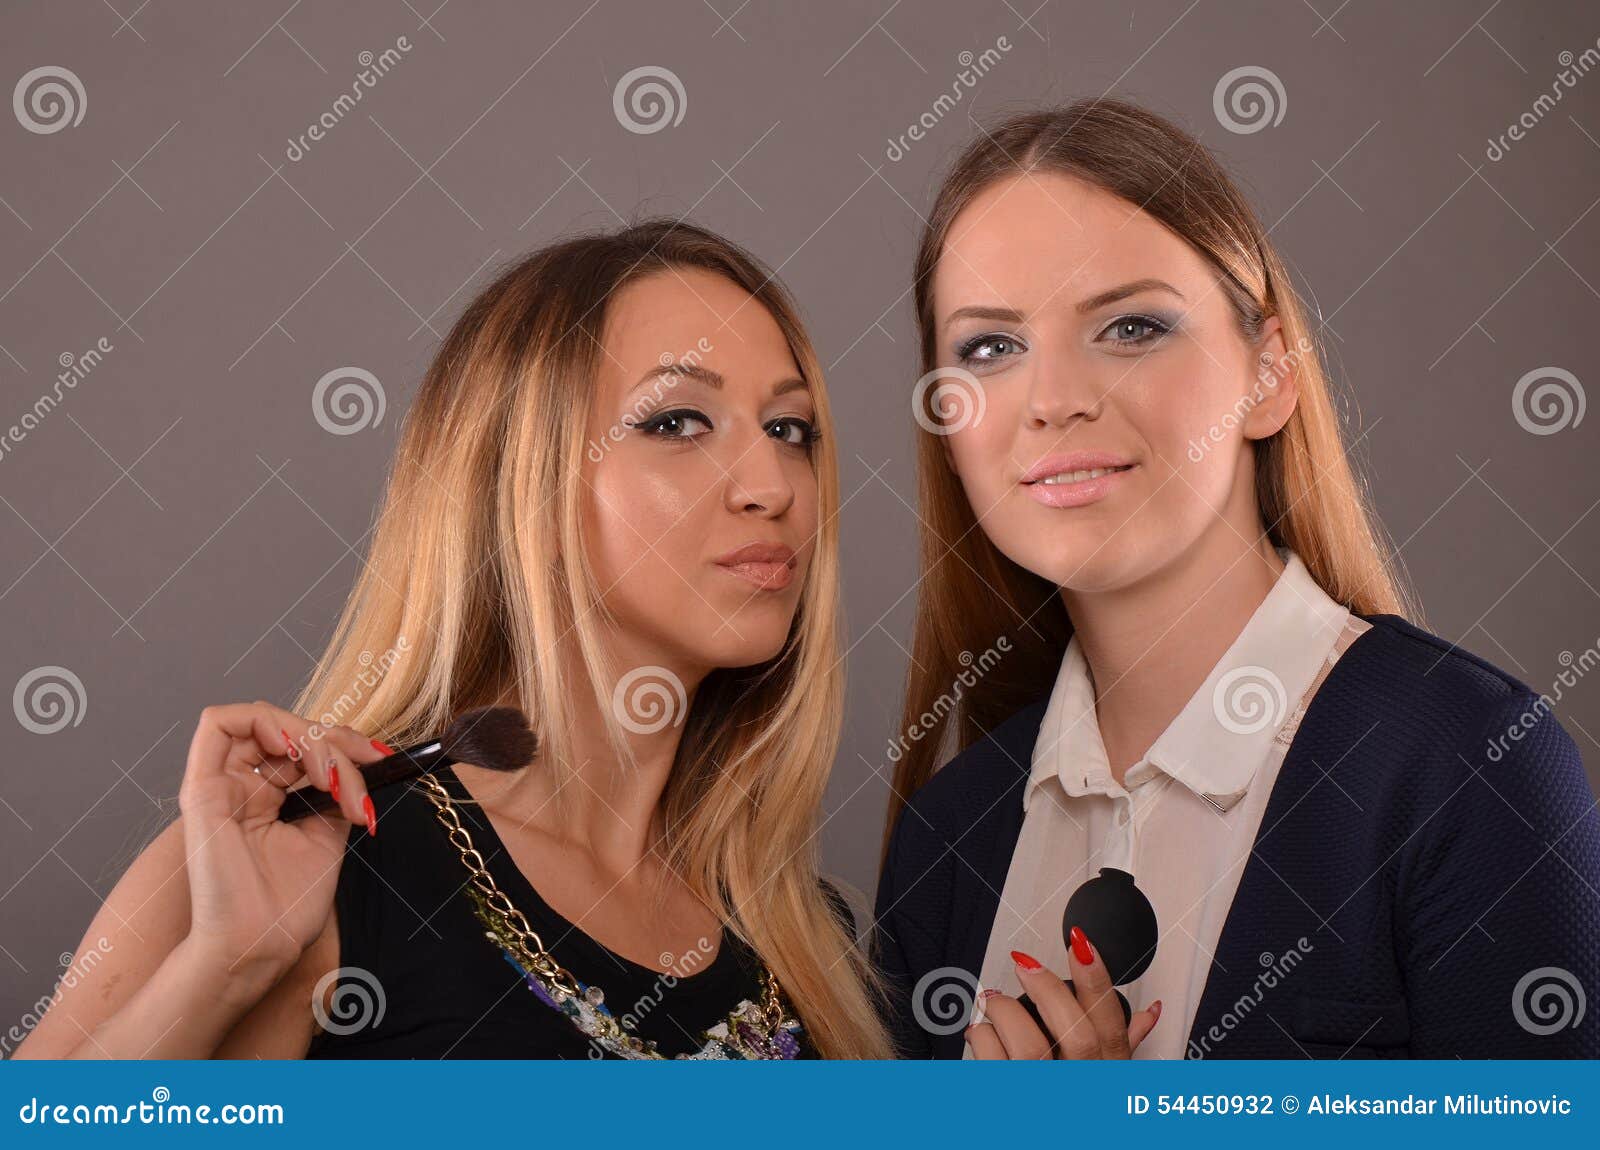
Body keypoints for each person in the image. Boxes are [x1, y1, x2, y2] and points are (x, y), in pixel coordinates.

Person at [15, 220, 890, 1060]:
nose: (772, 485)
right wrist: (221, 970)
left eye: (790, 429)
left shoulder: (808, 941)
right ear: (523, 482)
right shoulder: (297, 857)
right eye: (677, 423)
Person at [872, 98, 1600, 1059]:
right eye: (990, 348)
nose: (1052, 401)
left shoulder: (1471, 769)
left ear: (1269, 374)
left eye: (1130, 327)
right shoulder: (947, 838)